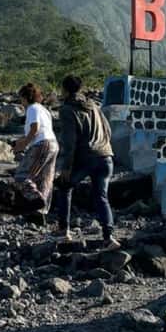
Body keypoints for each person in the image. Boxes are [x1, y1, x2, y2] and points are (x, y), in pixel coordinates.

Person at [54, 74, 119, 250]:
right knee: (101, 197)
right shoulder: (94, 106)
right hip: (106, 157)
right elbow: (108, 130)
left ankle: (64, 231)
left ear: (65, 90)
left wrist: (66, 167)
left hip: (86, 158)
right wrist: (104, 147)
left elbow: (69, 141)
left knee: (64, 186)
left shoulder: (67, 110)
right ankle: (109, 237)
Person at [13, 83, 59, 216]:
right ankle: (40, 213)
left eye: (21, 98)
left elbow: (35, 128)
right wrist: (20, 142)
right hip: (53, 144)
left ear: (26, 97)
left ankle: (36, 199)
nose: (21, 102)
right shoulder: (44, 110)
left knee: (22, 176)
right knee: (45, 179)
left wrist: (23, 145)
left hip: (42, 144)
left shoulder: (32, 108)